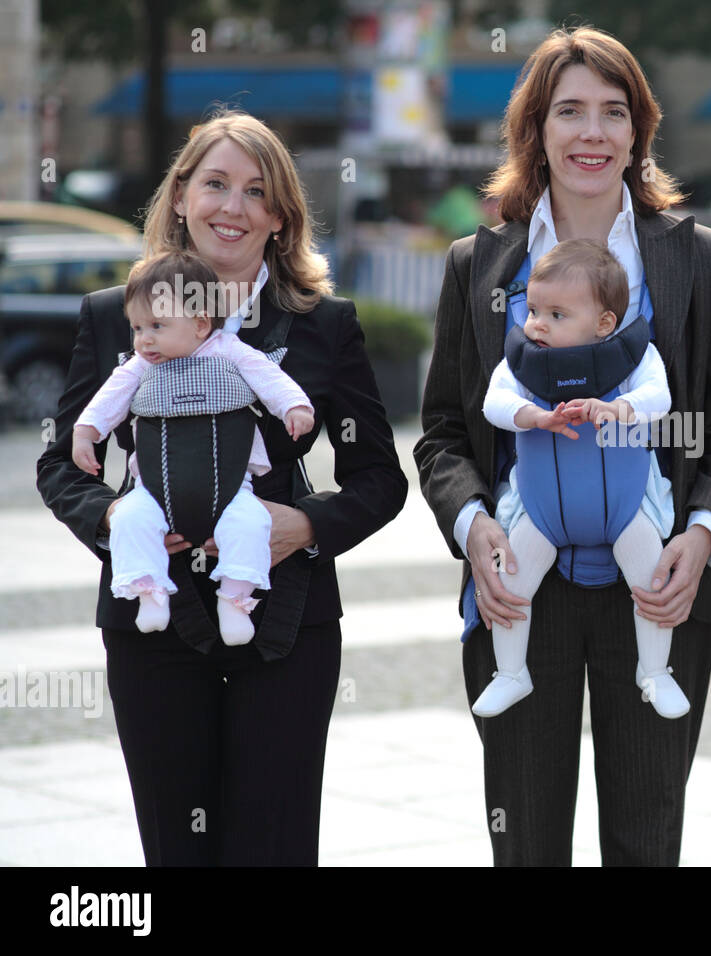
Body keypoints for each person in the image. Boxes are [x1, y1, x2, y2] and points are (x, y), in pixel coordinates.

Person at [413, 26, 711, 866]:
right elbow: (444, 437)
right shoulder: (478, 265)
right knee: (525, 839)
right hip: (518, 587)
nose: (593, 133)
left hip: (660, 582)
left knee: (646, 839)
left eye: (614, 112)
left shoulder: (703, 260)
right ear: (534, 130)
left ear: (641, 129)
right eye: (569, 111)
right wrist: (475, 531)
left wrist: (700, 538)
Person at [36, 111, 408, 866]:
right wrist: (111, 516)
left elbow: (379, 479)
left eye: (256, 192)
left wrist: (304, 525)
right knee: (179, 847)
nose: (232, 208)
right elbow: (58, 462)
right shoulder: (114, 315)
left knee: (273, 846)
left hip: (289, 625)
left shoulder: (324, 325)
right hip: (152, 623)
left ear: (280, 218)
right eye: (214, 184)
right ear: (179, 197)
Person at [476, 238, 686, 719]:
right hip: (542, 510)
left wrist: (619, 408)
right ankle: (511, 672)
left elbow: (661, 397)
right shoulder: (523, 362)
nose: (536, 324)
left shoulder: (635, 358)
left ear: (604, 323)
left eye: (556, 314)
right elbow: (494, 403)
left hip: (625, 508)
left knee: (651, 580)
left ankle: (654, 671)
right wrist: (532, 415)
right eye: (532, 310)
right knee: (511, 583)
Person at [72, 250, 315, 646]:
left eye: (156, 325)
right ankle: (150, 592)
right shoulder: (141, 364)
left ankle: (235, 599)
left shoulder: (229, 350)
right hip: (152, 485)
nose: (143, 339)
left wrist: (295, 405)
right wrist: (86, 432)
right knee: (130, 520)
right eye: (136, 328)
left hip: (232, 485)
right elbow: (109, 395)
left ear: (202, 324)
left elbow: (267, 375)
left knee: (251, 524)